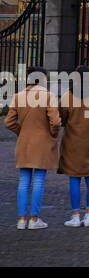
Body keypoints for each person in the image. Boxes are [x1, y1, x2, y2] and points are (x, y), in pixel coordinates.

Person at [5, 69, 61, 230]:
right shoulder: (48, 96)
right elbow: (55, 122)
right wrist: (52, 134)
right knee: (39, 180)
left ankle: (21, 219)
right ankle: (34, 219)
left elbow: (8, 122)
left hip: (24, 142)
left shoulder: (18, 96)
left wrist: (20, 132)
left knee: (23, 181)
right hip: (43, 143)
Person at [58, 69, 89, 228]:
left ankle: (76, 215)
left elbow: (62, 118)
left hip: (73, 141)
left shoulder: (67, 96)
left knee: (74, 177)